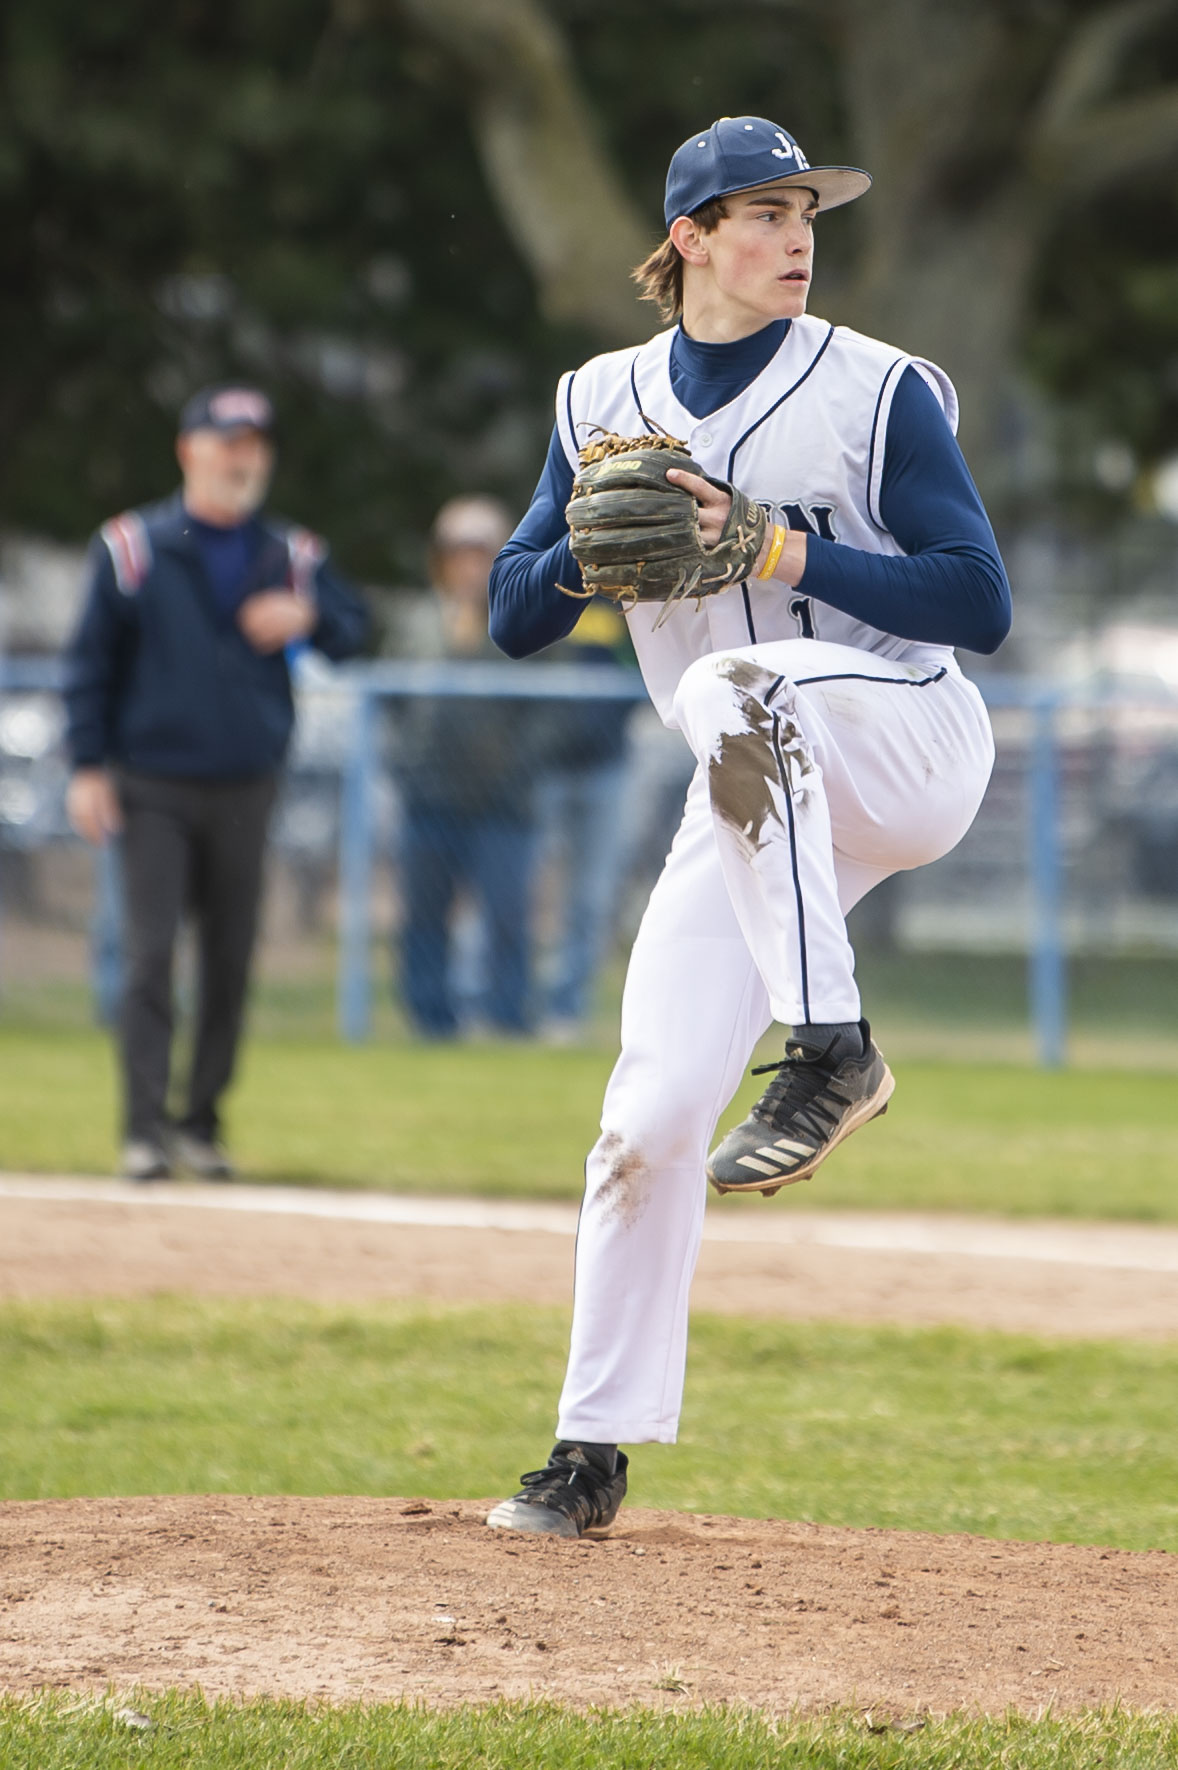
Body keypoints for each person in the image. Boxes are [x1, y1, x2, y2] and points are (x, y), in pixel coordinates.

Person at [483, 117, 1011, 1537]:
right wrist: (580, 558)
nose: (796, 238)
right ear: (691, 240)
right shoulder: (600, 399)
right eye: (764, 214)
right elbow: (509, 613)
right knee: (646, 1117)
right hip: (751, 797)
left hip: (900, 738)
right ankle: (589, 1449)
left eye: (807, 214)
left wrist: (774, 546)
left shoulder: (872, 389)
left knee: (731, 677)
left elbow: (978, 599)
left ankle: (832, 1051)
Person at [63, 384, 370, 1181]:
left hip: (245, 782)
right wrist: (86, 766)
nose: (244, 458)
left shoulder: (292, 555)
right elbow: (90, 665)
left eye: (255, 444)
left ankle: (200, 1124)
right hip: (150, 782)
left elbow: (355, 629)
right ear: (189, 449)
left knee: (230, 962)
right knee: (148, 956)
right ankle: (142, 1130)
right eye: (228, 441)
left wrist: (306, 618)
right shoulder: (131, 546)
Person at [391, 497, 538, 1040]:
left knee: (507, 914)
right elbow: (394, 702)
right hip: (427, 795)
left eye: (481, 553)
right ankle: (430, 1020)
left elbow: (553, 710)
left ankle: (507, 1018)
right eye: (458, 553)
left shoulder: (523, 614)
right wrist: (404, 761)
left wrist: (523, 759)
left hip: (504, 799)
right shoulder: (416, 620)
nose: (468, 565)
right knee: (424, 914)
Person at [532, 595, 637, 1043]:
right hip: (541, 767)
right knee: (520, 889)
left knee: (589, 898)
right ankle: (502, 1000)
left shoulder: (628, 600)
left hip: (606, 766)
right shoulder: (546, 586)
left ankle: (565, 1009)